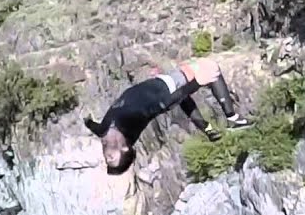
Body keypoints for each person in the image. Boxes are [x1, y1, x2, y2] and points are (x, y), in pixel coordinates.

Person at [84, 57, 247, 175]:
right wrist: (197, 82)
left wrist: (87, 121)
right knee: (211, 67)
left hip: (157, 84)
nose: (108, 158)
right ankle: (232, 117)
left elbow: (95, 127)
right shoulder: (130, 126)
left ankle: (207, 128)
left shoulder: (104, 131)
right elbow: (165, 104)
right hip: (168, 89)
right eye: (113, 159)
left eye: (108, 160)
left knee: (184, 93)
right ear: (125, 148)